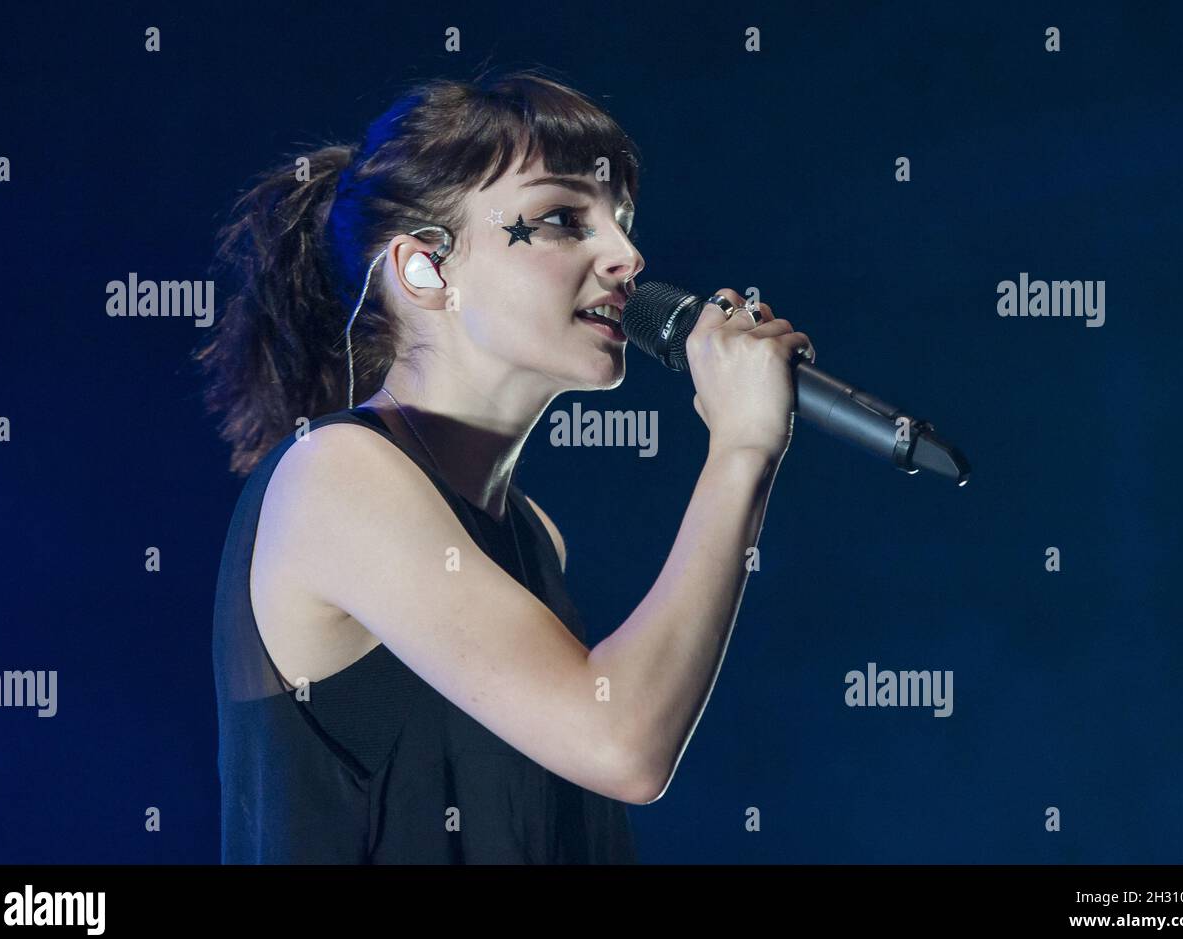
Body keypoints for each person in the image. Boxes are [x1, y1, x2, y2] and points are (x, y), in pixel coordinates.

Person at [195, 68, 815, 864]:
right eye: (562, 218)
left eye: (622, 220)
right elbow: (622, 741)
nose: (628, 256)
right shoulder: (333, 475)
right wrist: (740, 450)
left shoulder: (533, 536)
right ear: (425, 269)